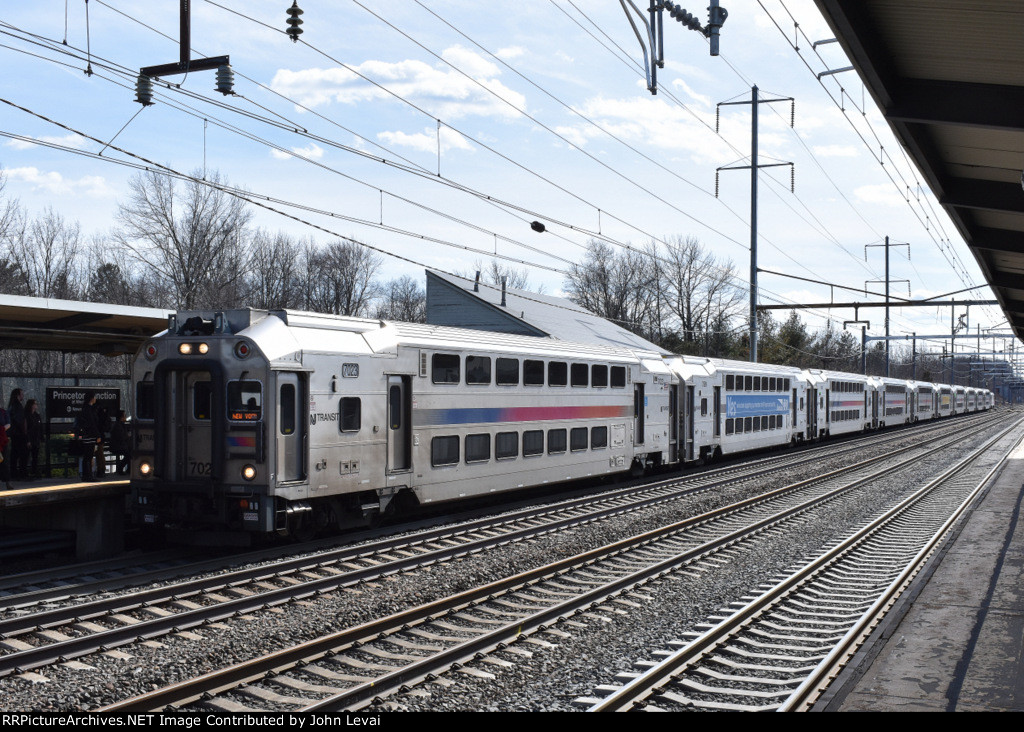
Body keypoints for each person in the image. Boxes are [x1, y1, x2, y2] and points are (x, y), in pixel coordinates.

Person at [77, 391, 103, 482]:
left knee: (87, 456)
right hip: (90, 435)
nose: (95, 399)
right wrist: (98, 435)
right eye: (94, 397)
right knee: (89, 456)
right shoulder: (88, 410)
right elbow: (92, 423)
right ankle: (88, 476)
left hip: (86, 435)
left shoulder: (85, 409)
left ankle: (86, 475)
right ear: (91, 399)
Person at [8, 389, 28, 480]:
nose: (23, 395)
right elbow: (19, 420)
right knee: (22, 454)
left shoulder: (12, 405)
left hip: (14, 433)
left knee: (14, 454)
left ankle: (14, 473)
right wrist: (24, 432)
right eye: (22, 394)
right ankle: (22, 473)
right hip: (19, 434)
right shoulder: (17, 406)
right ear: (18, 395)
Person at [109, 409, 131, 475]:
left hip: (120, 445)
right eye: (124, 416)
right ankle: (120, 469)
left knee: (130, 452)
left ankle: (128, 469)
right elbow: (122, 437)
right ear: (121, 417)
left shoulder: (120, 425)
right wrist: (128, 436)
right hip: (117, 446)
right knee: (129, 454)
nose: (125, 417)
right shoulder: (118, 426)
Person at [25, 399, 42, 479]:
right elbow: (26, 429)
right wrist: (28, 440)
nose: (36, 405)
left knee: (35, 457)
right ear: (31, 405)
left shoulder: (37, 415)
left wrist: (41, 438)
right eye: (35, 404)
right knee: (26, 456)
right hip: (29, 438)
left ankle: (34, 472)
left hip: (36, 439)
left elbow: (39, 427)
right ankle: (25, 472)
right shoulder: (27, 416)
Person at [0, 402, 10, 490]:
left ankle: (7, 481)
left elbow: (8, 423)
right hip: (2, 438)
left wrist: (2, 429)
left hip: (2, 440)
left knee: (5, 461)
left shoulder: (3, 412)